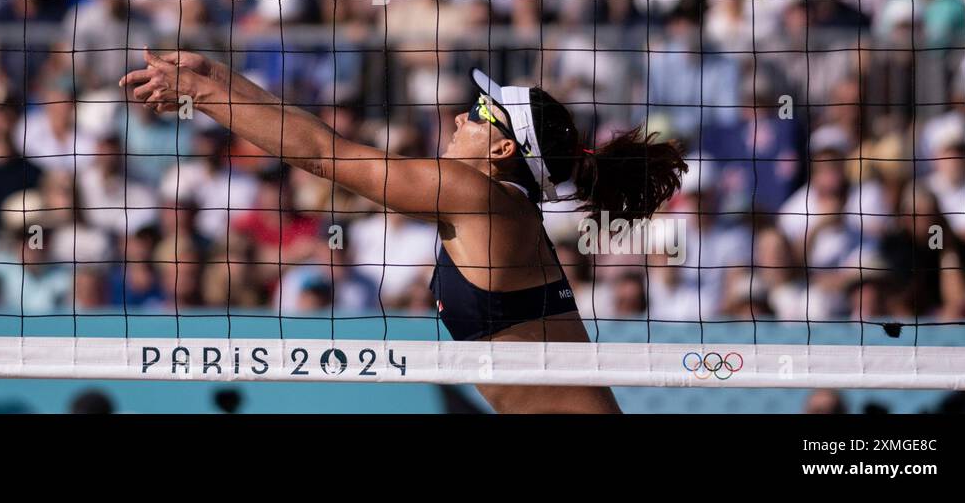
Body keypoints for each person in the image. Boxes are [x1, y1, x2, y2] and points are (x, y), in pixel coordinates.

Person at [121, 49, 687, 413]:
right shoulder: (499, 206)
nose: (461, 117)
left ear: (502, 148)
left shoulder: (476, 197)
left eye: (479, 113)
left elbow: (323, 155)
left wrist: (207, 95)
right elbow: (320, 142)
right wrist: (215, 76)